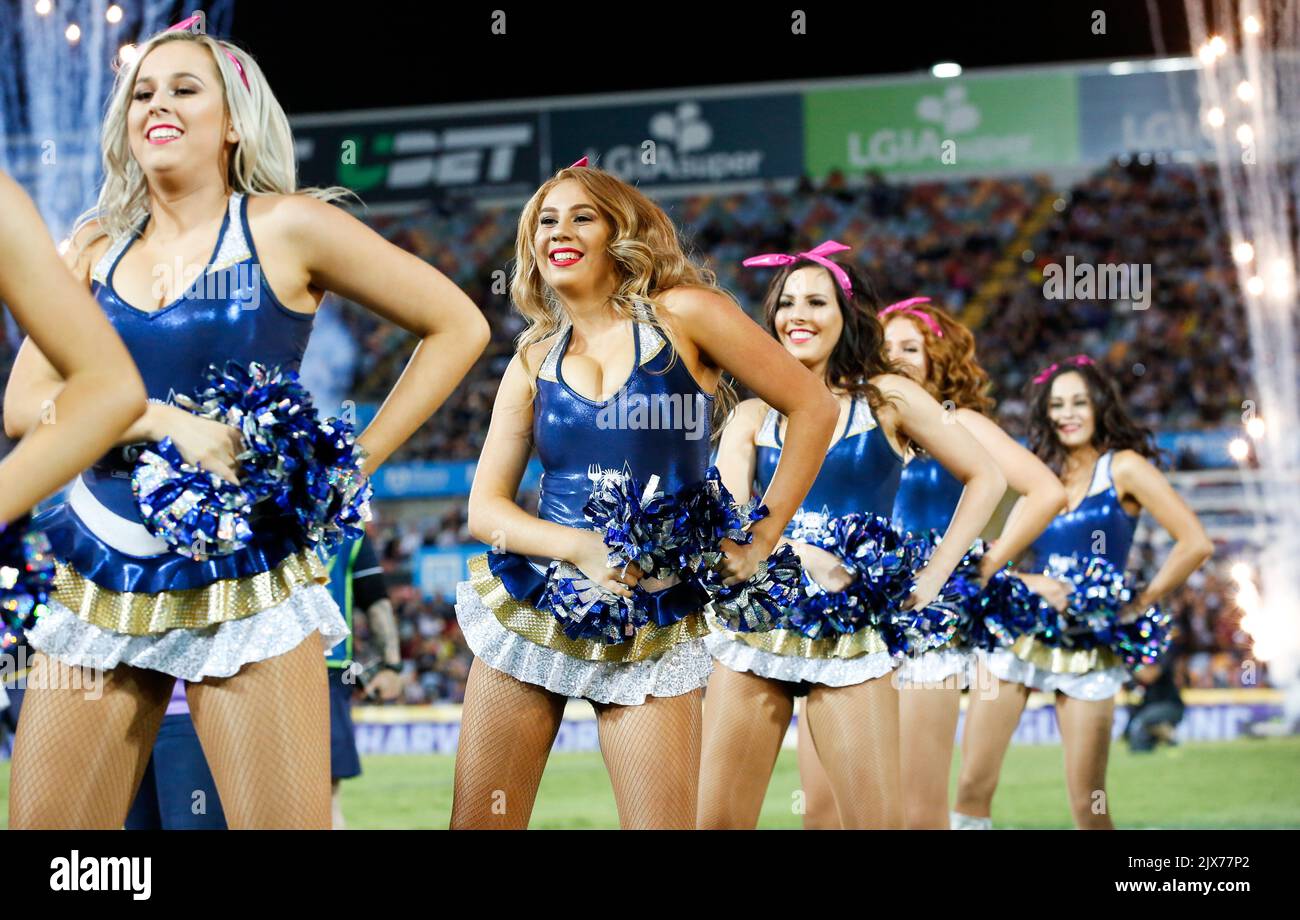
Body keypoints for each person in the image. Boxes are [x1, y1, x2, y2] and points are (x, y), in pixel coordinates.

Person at [5, 21, 488, 829]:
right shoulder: (92, 245)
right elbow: (25, 406)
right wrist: (160, 421)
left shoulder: (287, 227)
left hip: (250, 565)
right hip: (99, 562)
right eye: (143, 92)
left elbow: (458, 325)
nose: (157, 103)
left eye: (184, 89)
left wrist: (351, 465)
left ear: (233, 121)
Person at [451, 162, 839, 829]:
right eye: (546, 220)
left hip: (653, 616)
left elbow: (812, 408)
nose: (559, 233)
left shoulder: (685, 315)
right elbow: (484, 510)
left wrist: (762, 537)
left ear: (618, 233)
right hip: (537, 601)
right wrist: (579, 546)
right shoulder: (532, 356)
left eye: (582, 217)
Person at [699, 248, 1005, 829]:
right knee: (717, 824)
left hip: (852, 638)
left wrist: (935, 575)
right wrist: (804, 552)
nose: (798, 314)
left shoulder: (886, 399)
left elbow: (985, 477)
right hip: (756, 629)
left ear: (846, 316)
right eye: (786, 302)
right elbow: (733, 530)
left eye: (817, 301)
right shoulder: (750, 416)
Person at [795, 296, 1065, 830]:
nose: (895, 356)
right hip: (852, 617)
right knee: (824, 809)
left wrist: (982, 566)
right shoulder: (865, 415)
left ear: (937, 358)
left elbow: (1044, 491)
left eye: (911, 347)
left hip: (924, 622)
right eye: (887, 345)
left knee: (919, 812)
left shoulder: (957, 422)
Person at [953, 356, 1213, 829]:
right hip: (1018, 631)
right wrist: (1027, 582)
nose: (1067, 413)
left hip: (1092, 644)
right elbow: (994, 551)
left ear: (1099, 406)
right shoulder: (1037, 473)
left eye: (1079, 402)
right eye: (1056, 404)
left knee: (1087, 804)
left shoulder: (1125, 468)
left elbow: (1195, 542)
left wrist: (1137, 603)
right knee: (971, 786)